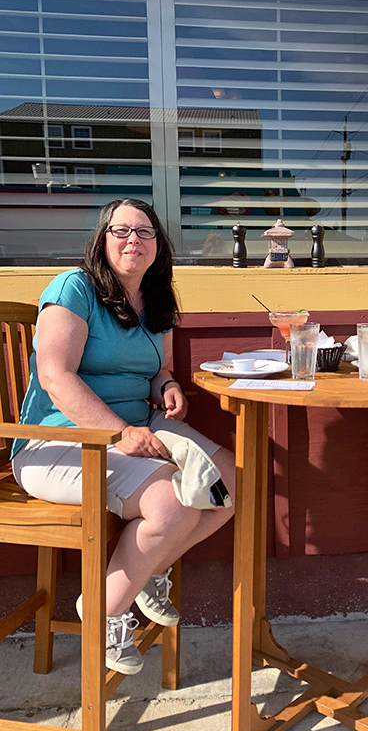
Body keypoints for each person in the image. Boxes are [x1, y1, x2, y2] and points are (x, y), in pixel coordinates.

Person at [11, 198, 235, 674]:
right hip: (59, 440)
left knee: (230, 482)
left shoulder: (156, 298)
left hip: (137, 425)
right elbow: (54, 376)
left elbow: (155, 370)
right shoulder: (74, 288)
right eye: (121, 230)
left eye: (144, 231)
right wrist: (119, 433)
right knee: (171, 506)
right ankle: (104, 609)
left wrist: (167, 386)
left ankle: (149, 569)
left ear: (158, 245)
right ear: (102, 239)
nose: (133, 239)